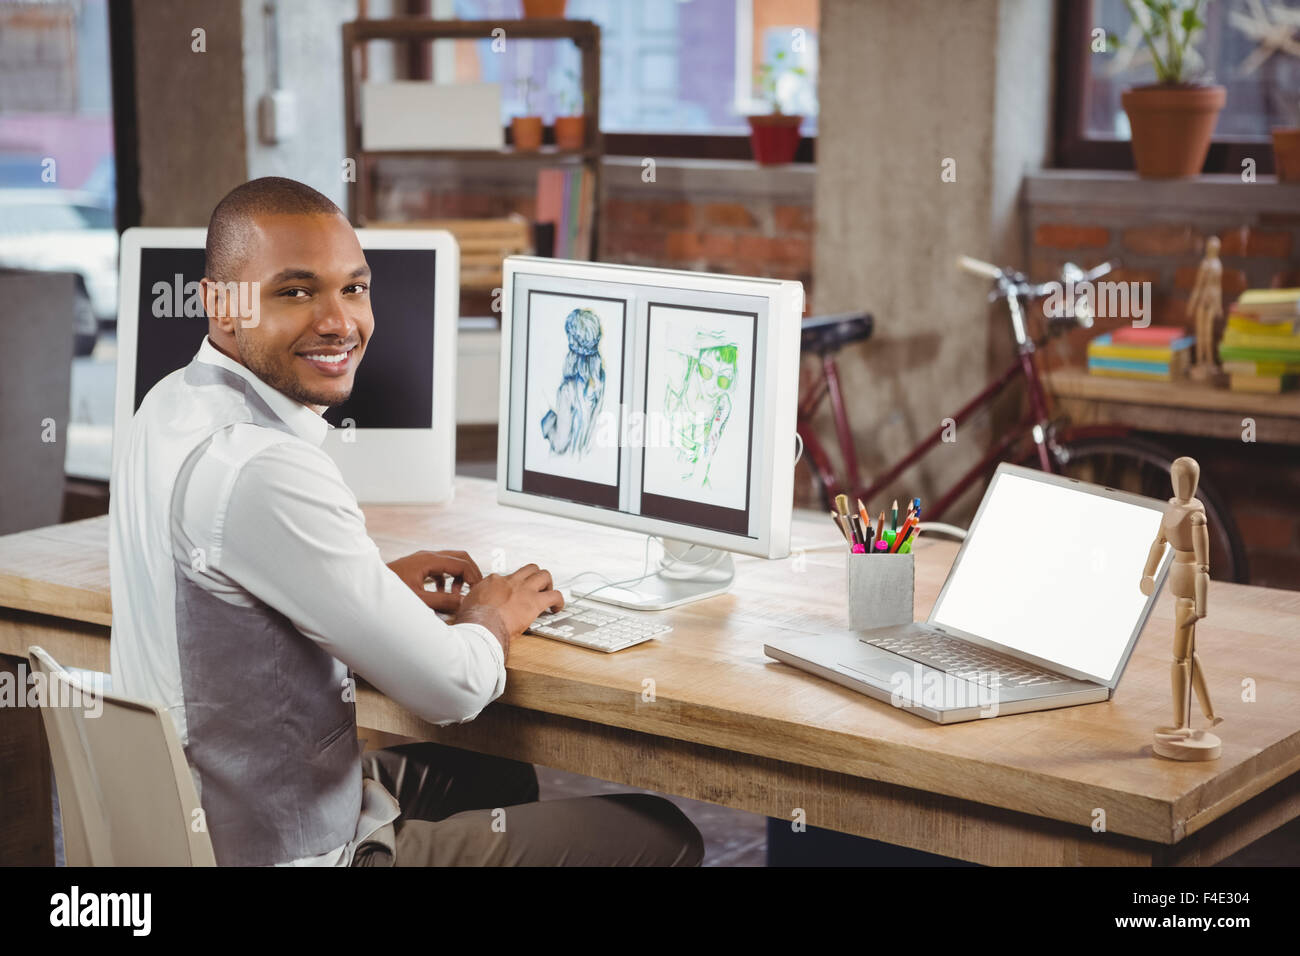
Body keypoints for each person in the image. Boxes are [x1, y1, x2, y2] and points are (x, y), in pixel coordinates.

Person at [109, 176, 704, 867]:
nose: (339, 322)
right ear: (220, 305)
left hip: (187, 829)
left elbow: (217, 596)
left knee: (493, 778)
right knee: (661, 835)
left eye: (354, 288)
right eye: (295, 292)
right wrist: (491, 614)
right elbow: (450, 688)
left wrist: (372, 586)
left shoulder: (167, 404)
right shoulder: (262, 467)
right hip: (284, 853)